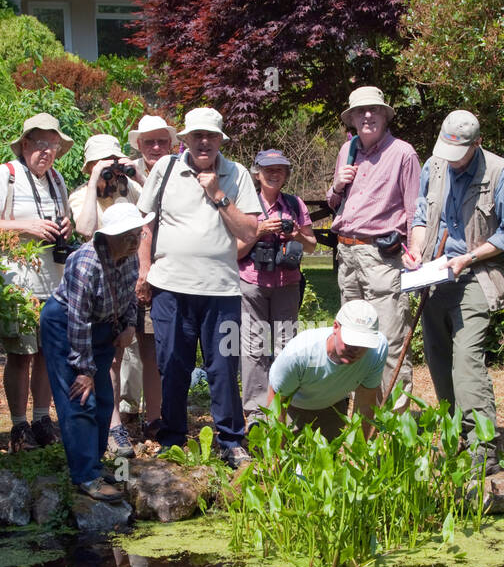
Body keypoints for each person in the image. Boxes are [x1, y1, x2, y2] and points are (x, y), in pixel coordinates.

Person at [135, 106, 262, 467]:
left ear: (221, 139)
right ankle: (172, 439)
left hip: (220, 290)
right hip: (170, 288)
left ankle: (231, 440)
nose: (204, 142)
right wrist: (143, 271)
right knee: (172, 364)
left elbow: (249, 231)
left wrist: (218, 194)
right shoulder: (166, 168)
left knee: (223, 366)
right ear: (185, 139)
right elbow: (146, 224)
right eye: (196, 135)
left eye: (211, 136)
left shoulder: (236, 174)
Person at [406, 110, 504, 474]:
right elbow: (422, 216)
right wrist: (416, 251)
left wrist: (468, 257)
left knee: (467, 363)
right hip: (434, 278)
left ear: (478, 143)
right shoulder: (435, 166)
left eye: (460, 154)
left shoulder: (501, 173)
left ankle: (484, 447)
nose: (452, 162)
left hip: (476, 275)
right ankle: (455, 435)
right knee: (438, 363)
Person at [0, 112, 74, 453]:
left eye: (53, 145)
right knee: (20, 354)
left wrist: (66, 228)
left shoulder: (57, 179)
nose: (47, 151)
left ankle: (42, 419)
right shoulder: (6, 175)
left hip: (53, 282)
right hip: (18, 281)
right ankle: (18, 426)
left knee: (47, 353)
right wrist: (24, 227)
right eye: (40, 143)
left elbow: (65, 219)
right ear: (26, 144)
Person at [39, 202, 154, 502]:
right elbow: (77, 318)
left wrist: (130, 324)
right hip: (66, 326)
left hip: (105, 323)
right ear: (109, 236)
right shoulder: (85, 262)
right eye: (127, 235)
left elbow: (130, 294)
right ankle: (85, 476)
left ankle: (95, 462)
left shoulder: (129, 258)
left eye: (137, 234)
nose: (133, 241)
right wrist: (83, 370)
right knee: (81, 397)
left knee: (104, 398)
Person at [325, 86, 422, 398]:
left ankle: (394, 425)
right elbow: (334, 203)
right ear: (352, 118)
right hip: (346, 254)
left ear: (385, 115)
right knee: (351, 339)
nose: (367, 115)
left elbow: (415, 211)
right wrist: (336, 185)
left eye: (374, 110)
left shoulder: (403, 154)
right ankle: (363, 417)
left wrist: (416, 251)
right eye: (360, 111)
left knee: (389, 341)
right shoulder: (347, 150)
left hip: (382, 258)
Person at [69, 133, 144, 459]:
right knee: (100, 364)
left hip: (124, 289)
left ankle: (115, 423)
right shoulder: (81, 196)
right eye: (104, 167)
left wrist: (133, 174)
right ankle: (109, 425)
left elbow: (151, 209)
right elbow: (85, 228)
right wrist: (94, 181)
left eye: (114, 164)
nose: (111, 176)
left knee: (120, 358)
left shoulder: (130, 191)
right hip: (93, 292)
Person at [236, 150, 317, 426]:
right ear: (256, 172)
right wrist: (259, 231)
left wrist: (294, 233)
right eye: (268, 169)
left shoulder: (295, 204)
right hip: (252, 283)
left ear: (286, 175)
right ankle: (256, 413)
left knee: (286, 347)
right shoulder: (245, 204)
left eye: (280, 169)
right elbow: (233, 252)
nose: (274, 174)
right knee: (253, 348)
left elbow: (312, 245)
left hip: (287, 284)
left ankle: (284, 407)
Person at [266, 299, 388, 440]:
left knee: (329, 458)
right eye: (351, 340)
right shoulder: (300, 352)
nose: (355, 349)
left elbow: (366, 404)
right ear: (335, 327)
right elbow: (276, 402)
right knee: (292, 456)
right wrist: (277, 456)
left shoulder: (377, 351)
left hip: (332, 404)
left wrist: (359, 454)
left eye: (362, 343)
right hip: (294, 407)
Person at [127, 114, 178, 437]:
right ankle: (121, 415)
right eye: (149, 142)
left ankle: (156, 417)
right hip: (126, 269)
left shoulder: (181, 171)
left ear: (172, 144)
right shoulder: (124, 172)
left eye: (162, 141)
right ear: (139, 145)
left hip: (166, 269)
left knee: (156, 349)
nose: (156, 147)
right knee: (120, 347)